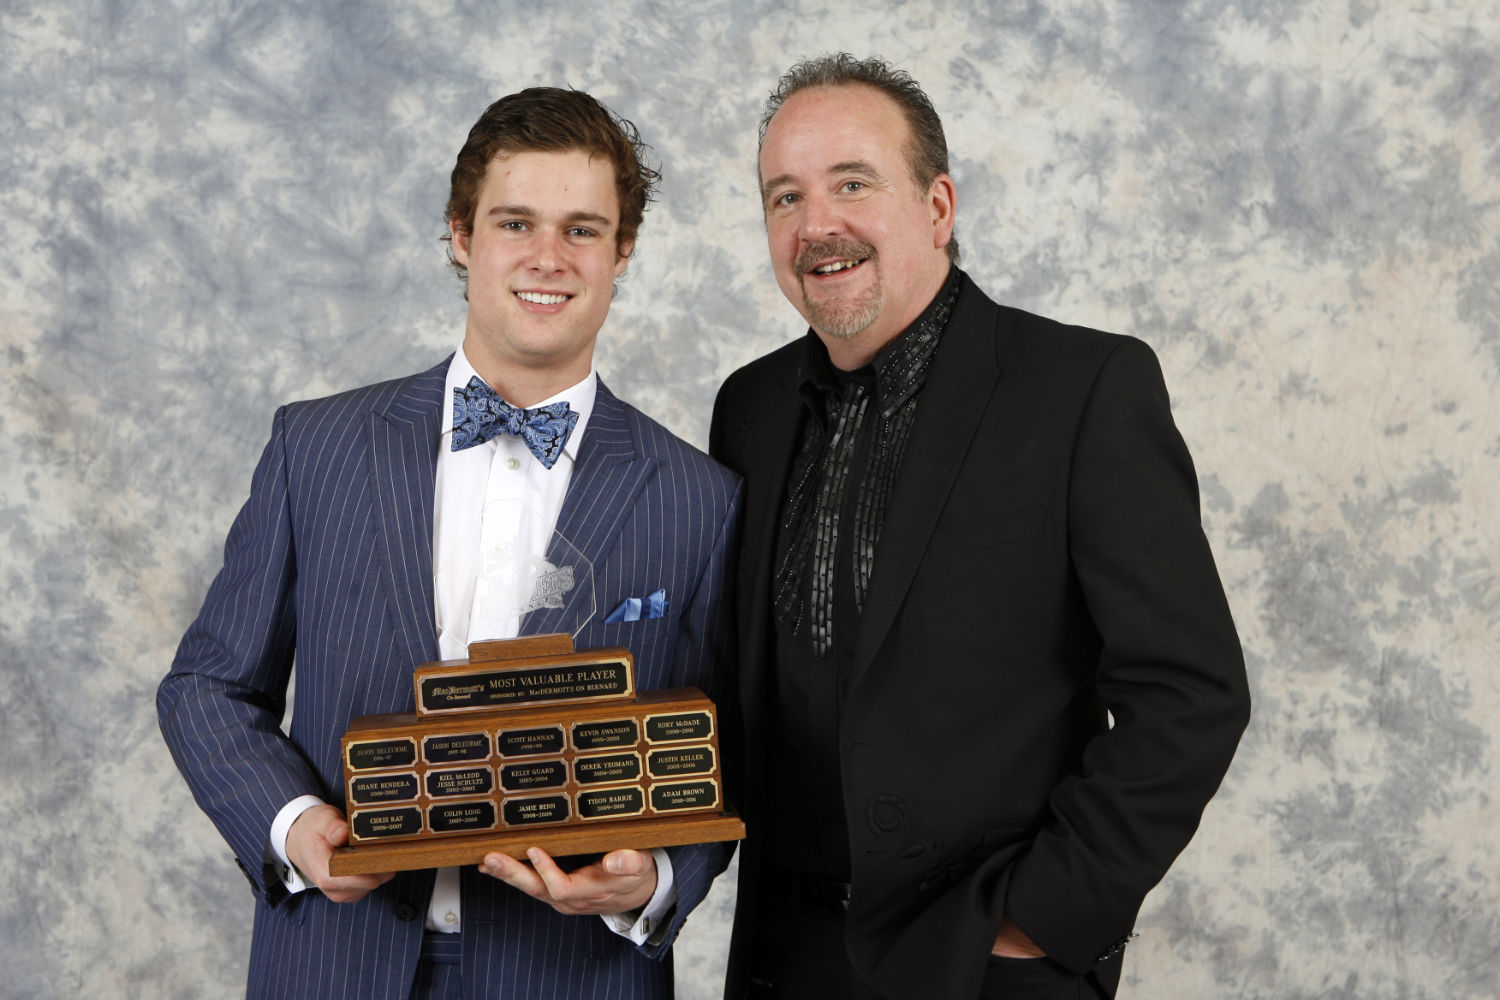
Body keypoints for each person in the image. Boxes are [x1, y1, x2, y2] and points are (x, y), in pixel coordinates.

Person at [159, 87, 741, 1000]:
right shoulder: (315, 447)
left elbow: (727, 745)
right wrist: (295, 825)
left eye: (584, 230)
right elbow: (208, 684)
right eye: (516, 222)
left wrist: (659, 874)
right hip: (333, 962)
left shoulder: (700, 498)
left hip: (573, 975)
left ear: (622, 251)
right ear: (462, 234)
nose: (549, 258)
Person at [710, 54, 1251, 1000]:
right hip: (779, 960)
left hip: (981, 961)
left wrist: (1046, 916)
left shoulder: (1083, 391)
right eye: (783, 197)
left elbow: (1191, 694)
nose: (815, 225)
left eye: (852, 183)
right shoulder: (747, 410)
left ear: (938, 206)